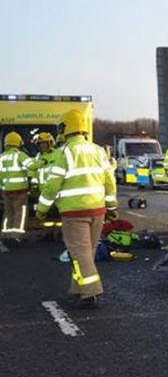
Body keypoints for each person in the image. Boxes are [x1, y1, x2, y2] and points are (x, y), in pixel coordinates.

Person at [36, 109, 117, 309]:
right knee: (84, 253)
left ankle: (90, 292)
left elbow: (52, 185)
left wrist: (41, 209)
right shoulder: (98, 150)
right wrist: (111, 206)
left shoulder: (65, 153)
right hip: (97, 210)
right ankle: (77, 289)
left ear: (64, 128)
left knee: (79, 254)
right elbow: (110, 180)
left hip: (74, 213)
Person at [0, 131, 32, 237]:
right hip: (20, 191)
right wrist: (42, 162)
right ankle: (16, 236)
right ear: (18, 143)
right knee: (20, 213)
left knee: (8, 214)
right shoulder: (20, 155)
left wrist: (2, 188)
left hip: (6, 191)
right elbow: (32, 165)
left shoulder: (2, 157)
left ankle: (5, 234)